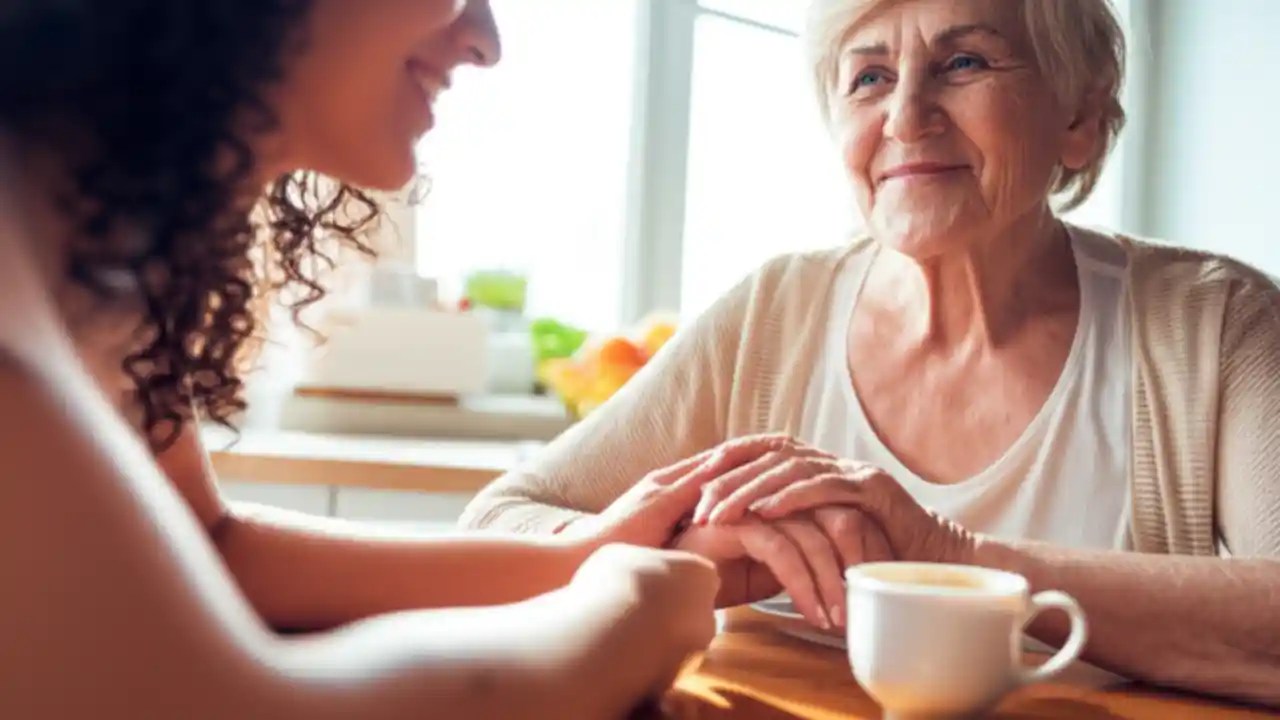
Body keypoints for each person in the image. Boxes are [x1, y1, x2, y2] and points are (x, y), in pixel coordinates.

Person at [461, 0, 1280, 706]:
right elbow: (498, 524)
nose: (905, 117)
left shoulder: (1212, 321)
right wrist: (696, 559)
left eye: (963, 61)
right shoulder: (771, 313)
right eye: (870, 77)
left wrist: (954, 561)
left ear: (1079, 116)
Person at [0, 1, 804, 717]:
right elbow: (232, 701)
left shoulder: (91, 274)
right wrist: (619, 615)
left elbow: (210, 548)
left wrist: (580, 557)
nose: (484, 39)